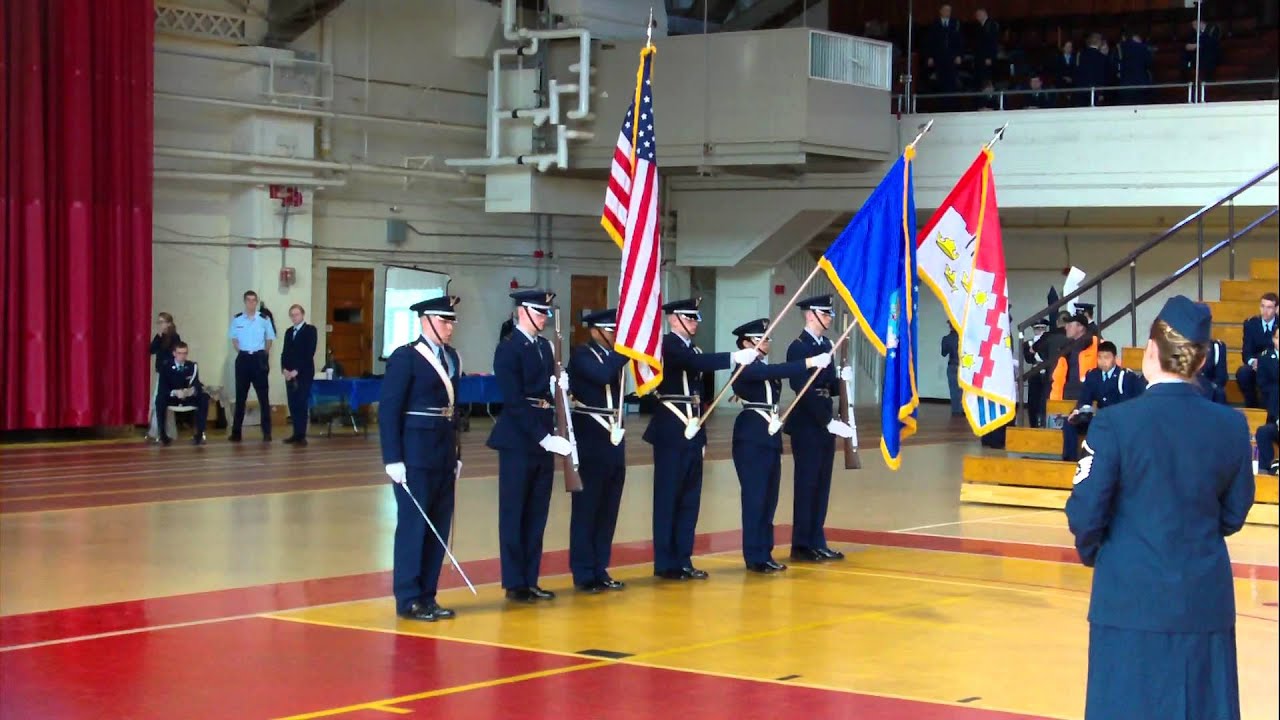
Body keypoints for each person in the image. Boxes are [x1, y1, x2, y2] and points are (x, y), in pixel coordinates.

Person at [1066, 295, 1254, 720]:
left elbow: (1085, 513)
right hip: (1203, 603)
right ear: (1202, 360)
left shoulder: (1115, 423)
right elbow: (1235, 511)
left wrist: (1111, 556)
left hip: (1129, 600)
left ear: (1150, 350)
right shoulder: (1231, 426)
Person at [644, 298, 759, 580]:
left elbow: (698, 383)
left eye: (696, 318)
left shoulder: (693, 346)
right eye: (689, 318)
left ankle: (683, 558)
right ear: (673, 320)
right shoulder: (668, 345)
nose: (694, 323)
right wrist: (733, 357)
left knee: (690, 499)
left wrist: (703, 434)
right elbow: (693, 363)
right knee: (669, 497)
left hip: (693, 427)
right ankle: (665, 562)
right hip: (672, 427)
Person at [379, 295, 462, 622]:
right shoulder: (406, 357)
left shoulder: (452, 357)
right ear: (425, 320)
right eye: (444, 320)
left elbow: (454, 412)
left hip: (442, 452)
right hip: (414, 455)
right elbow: (389, 410)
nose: (450, 326)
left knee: (438, 527)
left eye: (452, 321)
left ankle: (428, 594)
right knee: (414, 527)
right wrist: (393, 458)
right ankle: (409, 597)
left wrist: (457, 453)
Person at [487, 290, 572, 603]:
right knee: (515, 513)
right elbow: (514, 401)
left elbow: (546, 392)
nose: (543, 318)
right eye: (539, 312)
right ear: (522, 311)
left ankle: (530, 578)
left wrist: (559, 384)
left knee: (537, 512)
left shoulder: (543, 347)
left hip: (541, 432)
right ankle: (514, 582)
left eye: (546, 313)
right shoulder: (508, 349)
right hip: (519, 439)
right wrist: (544, 437)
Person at [731, 318, 831, 573]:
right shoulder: (744, 366)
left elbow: (771, 373)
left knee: (768, 499)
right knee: (755, 498)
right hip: (751, 436)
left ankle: (765, 552)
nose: (766, 342)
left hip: (769, 436)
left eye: (767, 338)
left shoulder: (762, 366)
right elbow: (769, 372)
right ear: (746, 342)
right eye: (760, 338)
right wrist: (808, 363)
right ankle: (754, 556)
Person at [784, 295, 855, 562]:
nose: (828, 318)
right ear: (810, 315)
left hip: (825, 419)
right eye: (825, 314)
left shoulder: (826, 344)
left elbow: (826, 384)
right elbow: (801, 387)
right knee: (807, 484)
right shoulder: (798, 347)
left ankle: (816, 539)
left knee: (822, 485)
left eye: (829, 315)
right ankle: (802, 545)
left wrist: (841, 381)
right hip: (807, 423)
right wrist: (827, 421)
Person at [567, 308, 631, 592]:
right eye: (611, 331)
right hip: (591, 437)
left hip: (613, 438)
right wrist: (629, 350)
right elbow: (603, 376)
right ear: (595, 331)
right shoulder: (582, 356)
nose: (615, 336)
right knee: (588, 508)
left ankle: (600, 567)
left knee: (609, 508)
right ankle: (583, 572)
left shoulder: (611, 357)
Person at [1061, 341, 1145, 461]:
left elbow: (1129, 403)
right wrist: (1077, 411)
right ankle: (1070, 461)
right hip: (1100, 418)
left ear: (1115, 358)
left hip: (1119, 420)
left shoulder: (1125, 376)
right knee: (1070, 422)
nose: (1103, 361)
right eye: (1099, 357)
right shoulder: (1093, 375)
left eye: (1107, 357)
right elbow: (1085, 398)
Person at [228, 290, 276, 441]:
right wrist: (242, 351)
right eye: (248, 300)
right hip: (243, 359)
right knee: (240, 397)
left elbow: (269, 338)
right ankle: (236, 433)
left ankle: (267, 432)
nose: (251, 303)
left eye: (253, 300)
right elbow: (234, 339)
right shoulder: (237, 320)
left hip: (258, 358)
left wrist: (263, 354)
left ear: (256, 302)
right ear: (244, 302)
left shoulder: (264, 319)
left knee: (263, 397)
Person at [155, 341, 210, 446]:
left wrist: (191, 391)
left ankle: (199, 434)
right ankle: (162, 435)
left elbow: (196, 383)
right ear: (174, 353)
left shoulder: (192, 366)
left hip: (187, 396)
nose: (182, 356)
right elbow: (163, 387)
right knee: (160, 399)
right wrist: (175, 392)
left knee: (204, 398)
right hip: (172, 397)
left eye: (185, 353)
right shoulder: (166, 366)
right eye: (180, 353)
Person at [281, 304, 318, 446]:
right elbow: (284, 353)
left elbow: (309, 352)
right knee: (293, 403)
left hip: (304, 373)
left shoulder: (310, 330)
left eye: (297, 314)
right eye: (292, 315)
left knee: (301, 403)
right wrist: (284, 369)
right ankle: (295, 433)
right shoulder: (289, 332)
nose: (294, 317)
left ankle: (301, 434)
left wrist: (297, 370)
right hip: (289, 374)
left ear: (302, 315)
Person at [1235, 292, 1277, 408]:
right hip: (1255, 364)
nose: (1265, 310)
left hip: (1274, 364)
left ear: (1276, 309)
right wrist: (1253, 362)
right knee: (1243, 373)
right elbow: (1246, 352)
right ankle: (1252, 406)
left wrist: (1265, 363)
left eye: (1269, 307)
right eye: (1262, 306)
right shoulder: (1251, 324)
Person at [148, 312, 182, 441]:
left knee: (159, 400)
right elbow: (151, 350)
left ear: (169, 323)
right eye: (159, 322)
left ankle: (157, 431)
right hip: (161, 372)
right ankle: (165, 431)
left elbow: (174, 356)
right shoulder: (160, 337)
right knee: (160, 402)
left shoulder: (174, 337)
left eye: (162, 322)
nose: (160, 325)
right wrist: (158, 336)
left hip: (169, 374)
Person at [1050, 313, 1098, 401]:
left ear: (1080, 327)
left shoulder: (1096, 343)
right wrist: (1055, 402)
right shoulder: (1065, 349)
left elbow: (1112, 361)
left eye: (1070, 325)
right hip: (1068, 396)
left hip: (1090, 396)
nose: (1066, 327)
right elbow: (1058, 377)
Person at [1256, 326, 1279, 475]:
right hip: (1276, 418)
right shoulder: (1265, 356)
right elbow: (1263, 384)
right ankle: (1266, 471)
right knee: (1263, 432)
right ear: (1274, 339)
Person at [941, 323, 962, 416]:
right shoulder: (963, 338)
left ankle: (956, 411)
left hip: (952, 365)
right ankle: (963, 410)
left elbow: (943, 353)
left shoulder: (946, 338)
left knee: (953, 389)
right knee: (963, 389)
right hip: (963, 366)